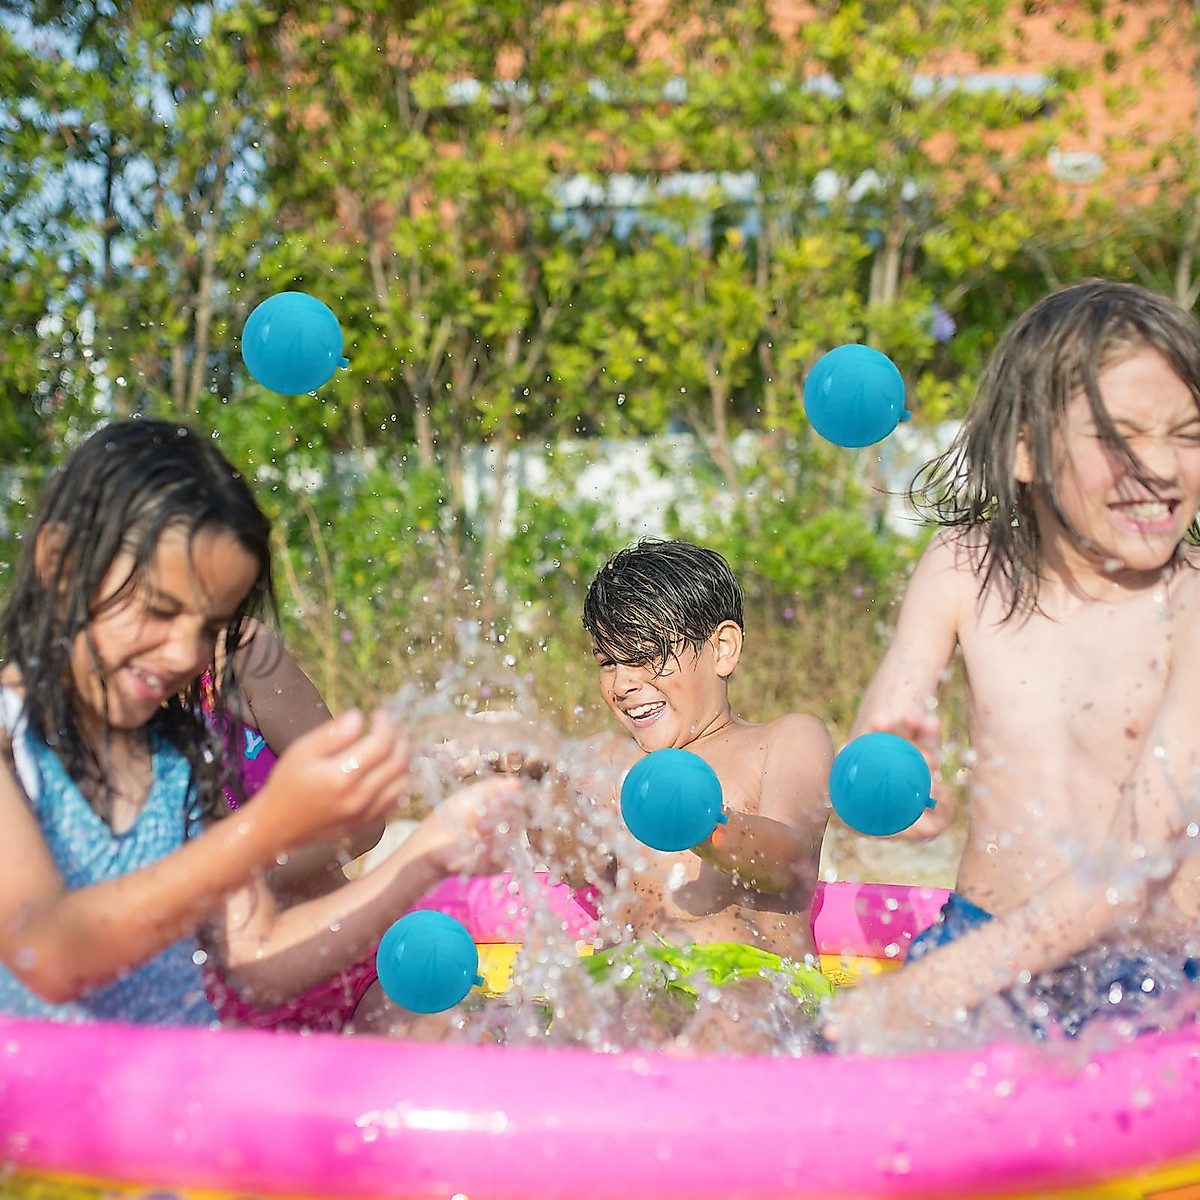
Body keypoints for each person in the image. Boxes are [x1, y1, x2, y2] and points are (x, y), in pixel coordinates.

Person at [0, 418, 522, 1029]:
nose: (182, 654)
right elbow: (48, 954)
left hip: (182, 1081)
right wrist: (268, 827)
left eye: (208, 627)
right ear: (61, 563)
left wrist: (427, 854)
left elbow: (254, 959)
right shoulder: (10, 742)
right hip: (49, 1091)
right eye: (158, 610)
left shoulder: (172, 751)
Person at [822, 278, 1200, 1049]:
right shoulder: (965, 567)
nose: (1161, 466)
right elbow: (876, 745)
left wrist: (932, 989)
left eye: (1187, 433)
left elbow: (1139, 856)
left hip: (1154, 974)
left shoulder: (1189, 606)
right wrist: (893, 785)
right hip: (979, 933)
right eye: (1120, 437)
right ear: (1026, 448)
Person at [199, 620, 390, 1031]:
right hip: (206, 1010)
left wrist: (239, 887)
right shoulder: (93, 715)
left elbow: (362, 814)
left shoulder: (239, 655)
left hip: (343, 969)